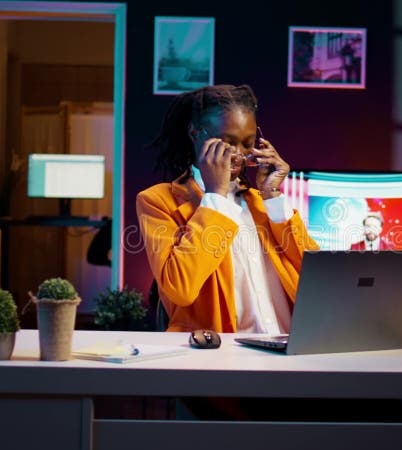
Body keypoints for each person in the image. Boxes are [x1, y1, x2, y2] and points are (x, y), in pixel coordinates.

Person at [136, 84, 319, 333]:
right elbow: (180, 289)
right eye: (226, 142)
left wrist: (273, 197)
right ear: (195, 133)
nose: (239, 155)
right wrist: (215, 197)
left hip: (289, 347)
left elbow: (317, 277)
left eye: (248, 143)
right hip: (220, 357)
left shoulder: (262, 202)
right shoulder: (157, 201)